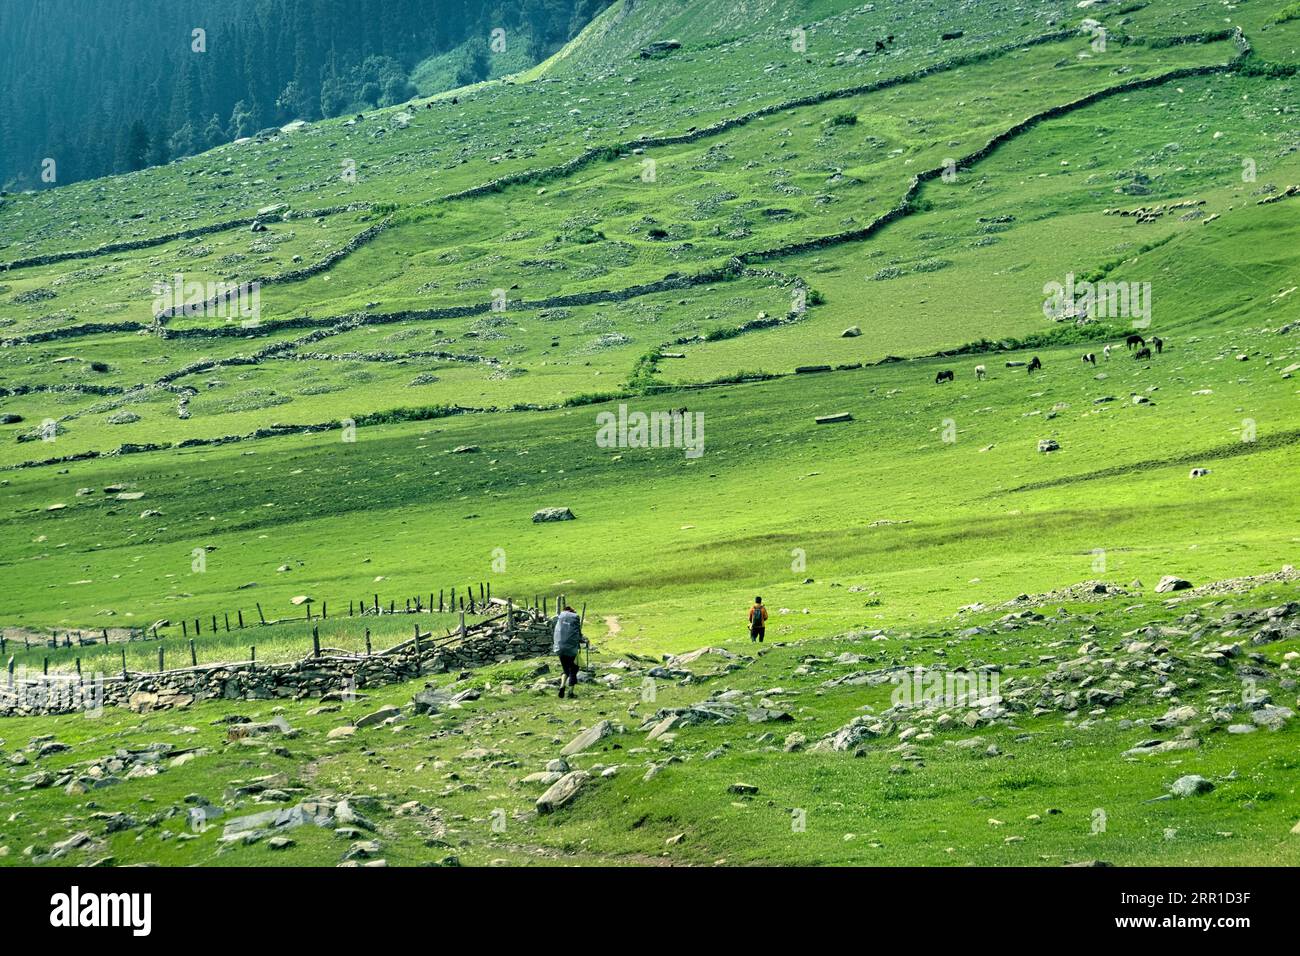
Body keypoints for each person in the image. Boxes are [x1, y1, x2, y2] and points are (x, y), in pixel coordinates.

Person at [553, 604, 584, 698]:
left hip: (559, 648)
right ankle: (570, 692)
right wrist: (583, 640)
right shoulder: (574, 619)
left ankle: (562, 686)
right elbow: (578, 634)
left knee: (565, 669)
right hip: (571, 649)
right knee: (573, 669)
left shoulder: (560, 619)